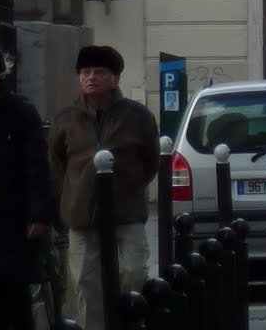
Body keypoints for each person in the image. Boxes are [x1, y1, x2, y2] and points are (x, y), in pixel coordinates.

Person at [51, 45, 160, 330]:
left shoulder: (138, 117)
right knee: (87, 285)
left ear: (115, 79)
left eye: (99, 72)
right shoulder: (66, 119)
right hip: (82, 218)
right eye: (86, 72)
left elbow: (151, 162)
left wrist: (128, 189)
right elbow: (57, 164)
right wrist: (75, 194)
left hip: (127, 214)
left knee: (134, 274)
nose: (91, 77)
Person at [0, 46, 52, 330]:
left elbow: (36, 167)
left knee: (14, 300)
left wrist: (38, 215)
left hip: (12, 224)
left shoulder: (20, 112)